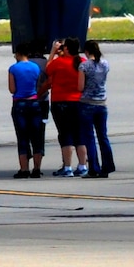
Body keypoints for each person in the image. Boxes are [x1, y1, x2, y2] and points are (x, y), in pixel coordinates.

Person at [45, 39, 88, 176]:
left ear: (67, 48)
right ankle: (82, 165)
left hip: (61, 101)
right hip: (79, 101)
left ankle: (67, 167)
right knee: (80, 134)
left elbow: (47, 69)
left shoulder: (59, 62)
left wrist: (53, 52)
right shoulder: (82, 62)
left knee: (65, 134)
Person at [8, 44, 47, 178]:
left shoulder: (13, 68)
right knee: (36, 137)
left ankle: (24, 169)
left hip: (20, 103)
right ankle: (37, 169)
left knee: (22, 137)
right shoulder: (35, 67)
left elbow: (12, 89)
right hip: (34, 102)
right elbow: (37, 84)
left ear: (18, 54)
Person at [80, 39, 115, 178]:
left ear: (86, 51)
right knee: (103, 136)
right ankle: (107, 166)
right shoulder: (105, 64)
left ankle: (93, 168)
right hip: (101, 103)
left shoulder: (84, 66)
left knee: (89, 137)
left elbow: (80, 87)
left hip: (87, 103)